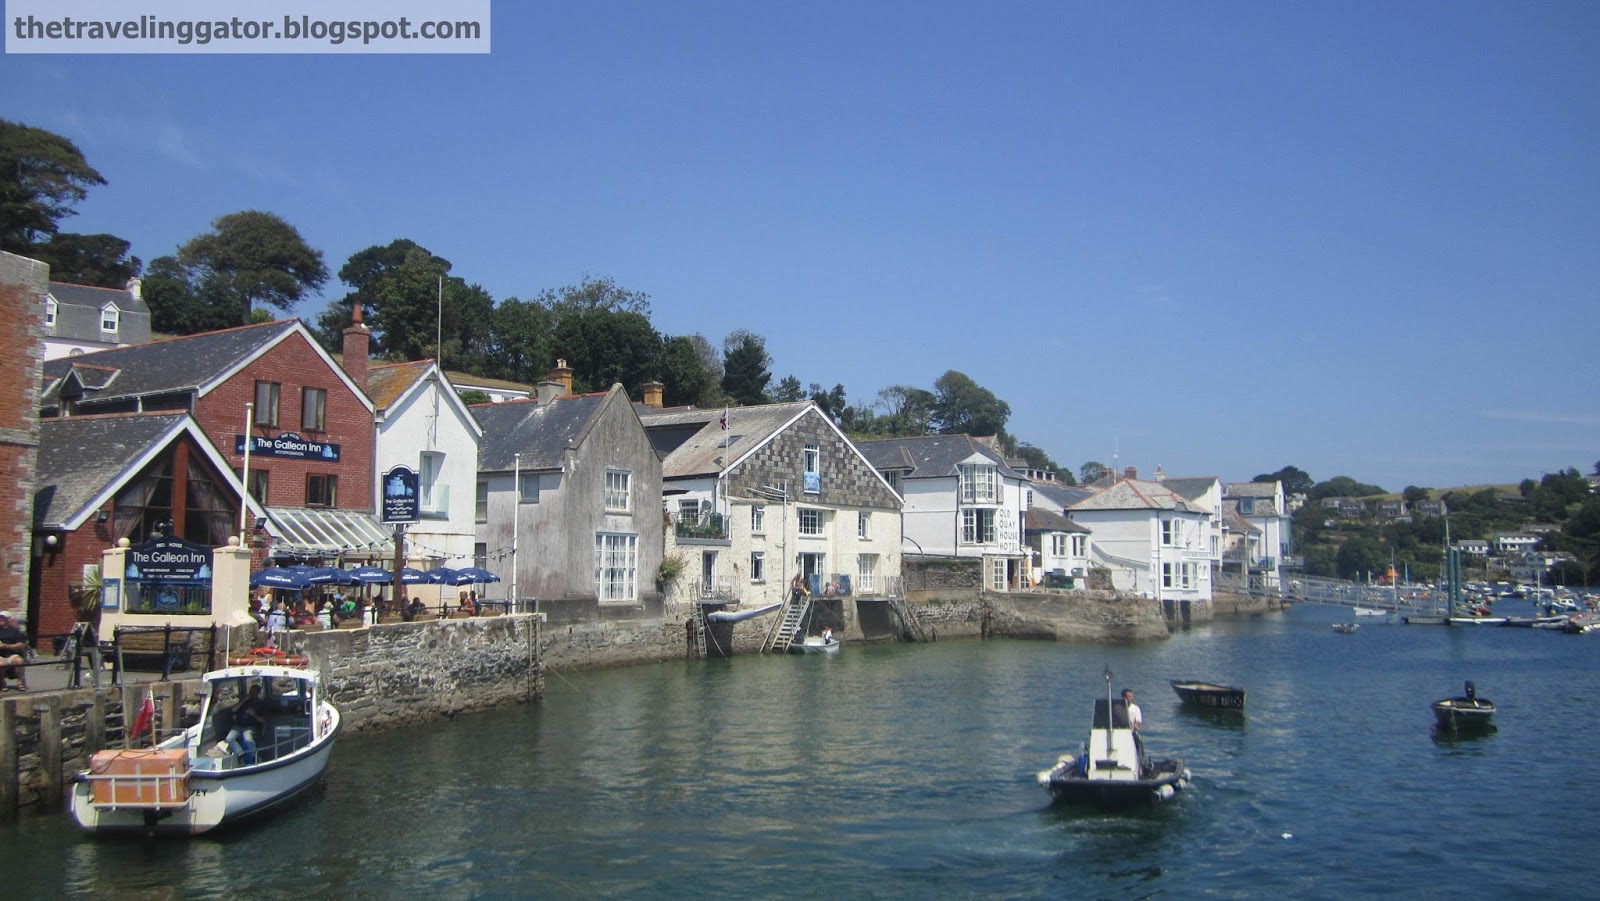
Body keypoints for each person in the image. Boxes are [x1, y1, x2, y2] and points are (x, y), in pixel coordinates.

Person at [225, 683, 266, 765]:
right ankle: (241, 754)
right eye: (251, 692)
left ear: (258, 692)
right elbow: (233, 710)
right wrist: (244, 700)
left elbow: (263, 720)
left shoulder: (261, 704)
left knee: (248, 739)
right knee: (229, 738)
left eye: (253, 692)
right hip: (238, 726)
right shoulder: (245, 702)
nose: (251, 693)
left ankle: (255, 756)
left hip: (250, 727)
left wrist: (253, 714)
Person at [0, 612, 28, 691]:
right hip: (1, 655)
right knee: (1, 663)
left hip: (12, 654)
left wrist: (7, 646)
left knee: (19, 661)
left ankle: (20, 682)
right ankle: (2, 682)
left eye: (2, 618)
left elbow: (20, 645)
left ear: (7, 620)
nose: (0, 620)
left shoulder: (15, 631)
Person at [1122, 688, 1144, 769]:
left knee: (1138, 747)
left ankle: (1140, 766)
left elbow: (1138, 721)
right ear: (1124, 697)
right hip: (1120, 732)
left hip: (1132, 733)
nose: (1131, 698)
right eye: (1129, 696)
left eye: (1132, 696)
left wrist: (1135, 725)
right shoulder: (1117, 708)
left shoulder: (1135, 708)